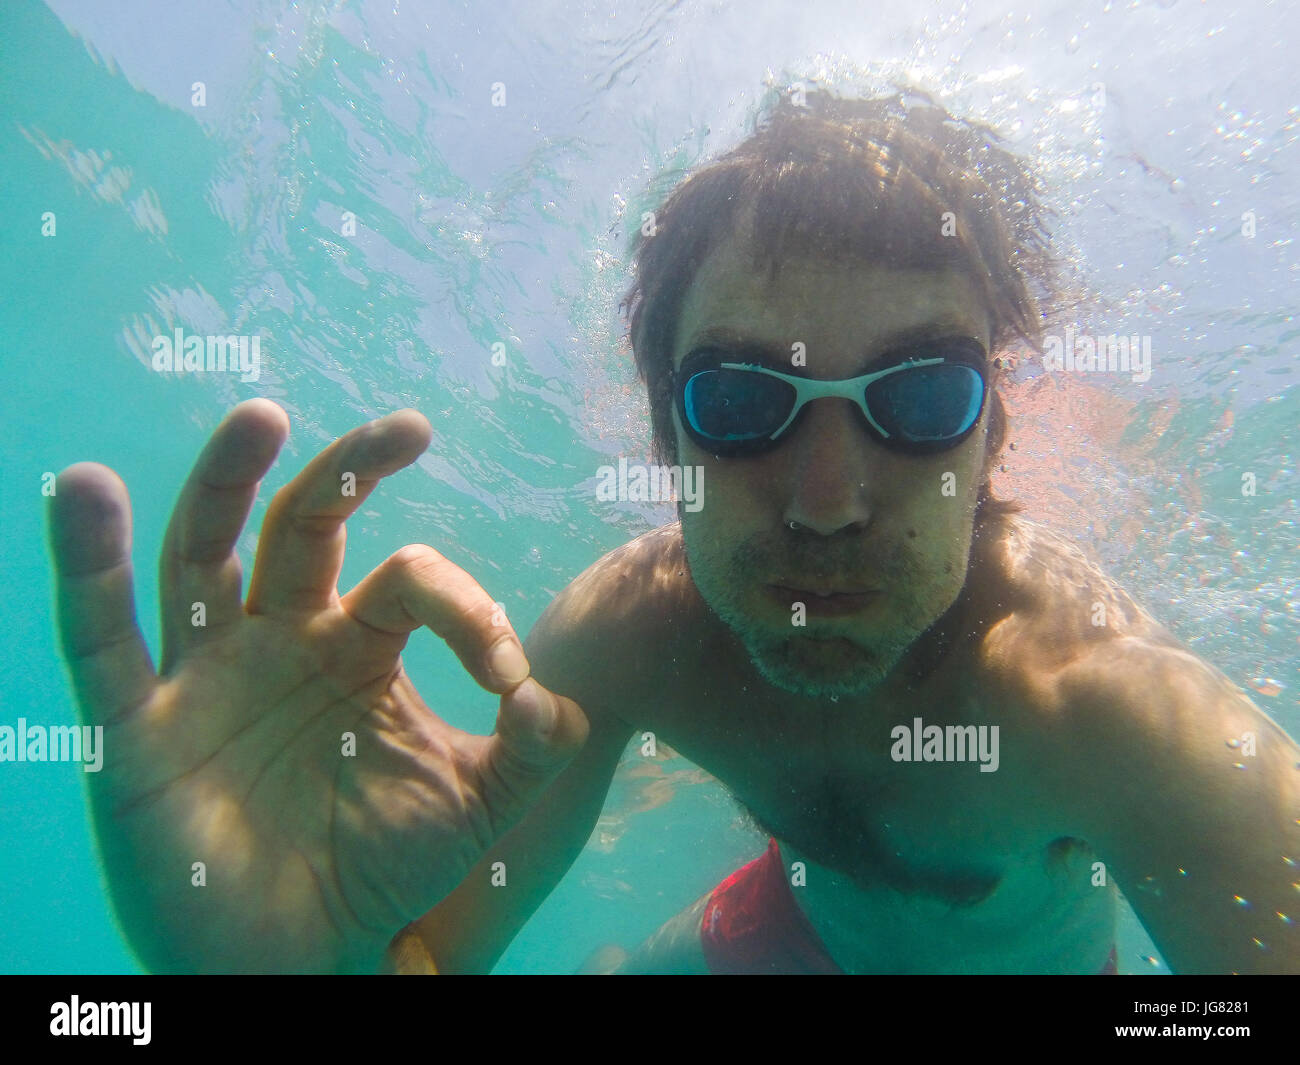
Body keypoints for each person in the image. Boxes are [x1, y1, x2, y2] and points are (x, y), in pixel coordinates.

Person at [49, 92, 1299, 975]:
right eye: (742, 403)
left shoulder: (1115, 720)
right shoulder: (629, 639)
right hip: (781, 931)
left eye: (920, 399)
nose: (824, 501)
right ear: (667, 444)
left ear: (991, 443)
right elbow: (412, 963)